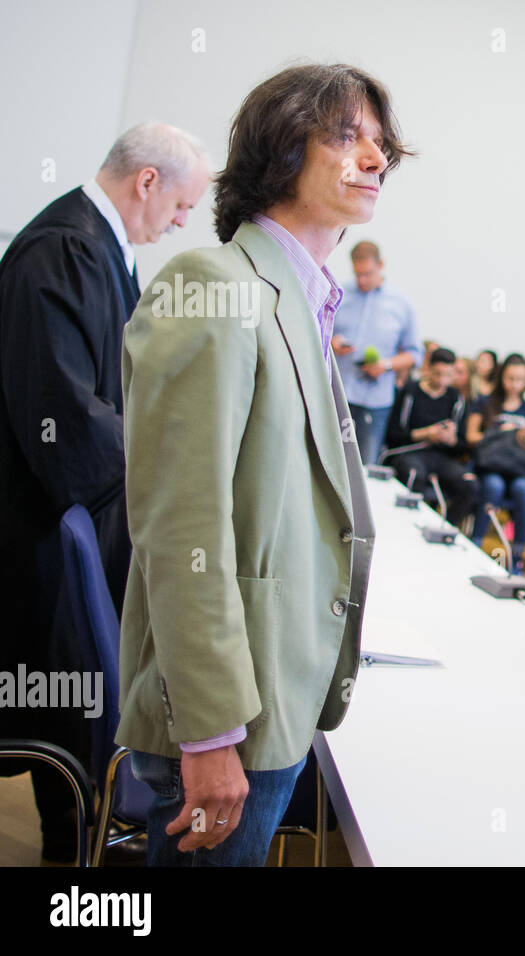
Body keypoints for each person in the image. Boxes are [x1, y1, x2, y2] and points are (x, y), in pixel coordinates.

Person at [118, 63, 410, 866]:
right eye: (347, 137)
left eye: (381, 146)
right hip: (226, 721)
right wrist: (208, 733)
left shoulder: (299, 299)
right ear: (282, 149)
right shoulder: (215, 284)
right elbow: (182, 524)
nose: (375, 160)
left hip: (277, 693)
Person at [0, 120, 209, 863]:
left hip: (68, 515)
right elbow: (66, 415)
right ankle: (72, 846)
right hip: (39, 522)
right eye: (182, 206)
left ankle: (78, 836)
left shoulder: (99, 248)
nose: (183, 223)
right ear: (146, 181)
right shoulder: (62, 248)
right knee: (59, 697)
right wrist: (159, 466)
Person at [329, 241, 421, 465]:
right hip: (337, 394)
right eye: (357, 274)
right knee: (330, 462)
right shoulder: (338, 294)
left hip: (374, 400)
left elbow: (415, 354)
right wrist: (331, 342)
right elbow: (318, 333)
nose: (362, 280)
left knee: (364, 467)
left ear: (381, 265)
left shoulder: (401, 304)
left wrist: (386, 365)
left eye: (367, 274)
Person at [385, 347, 477, 526]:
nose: (442, 380)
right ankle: (408, 526)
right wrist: (427, 433)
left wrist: (451, 439)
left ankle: (446, 529)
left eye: (448, 375)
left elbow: (462, 444)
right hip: (410, 452)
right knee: (414, 474)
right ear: (428, 369)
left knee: (469, 484)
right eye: (437, 374)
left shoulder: (456, 399)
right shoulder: (410, 392)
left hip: (441, 456)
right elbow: (393, 435)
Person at [467, 352, 525, 573]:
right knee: (493, 486)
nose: (515, 384)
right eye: (510, 378)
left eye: (520, 379)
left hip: (517, 467)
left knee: (524, 489)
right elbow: (471, 437)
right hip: (490, 465)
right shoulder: (485, 402)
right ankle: (476, 543)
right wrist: (499, 433)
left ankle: (516, 555)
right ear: (501, 377)